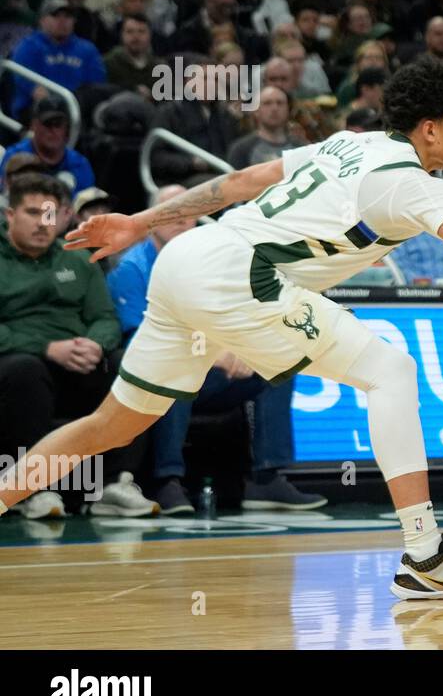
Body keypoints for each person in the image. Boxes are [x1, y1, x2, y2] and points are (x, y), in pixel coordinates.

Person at [0, 58, 443, 601]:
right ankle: (424, 556)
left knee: (111, 425)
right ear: (429, 129)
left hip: (185, 260)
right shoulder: (417, 185)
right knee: (390, 370)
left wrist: (141, 224)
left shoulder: (349, 143)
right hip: (243, 277)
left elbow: (240, 181)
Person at [107, 185, 327, 513]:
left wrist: (241, 350)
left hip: (211, 370)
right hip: (161, 367)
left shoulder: (210, 261)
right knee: (176, 374)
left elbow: (237, 314)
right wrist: (210, 352)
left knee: (279, 365)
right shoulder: (132, 268)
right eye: (172, 210)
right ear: (152, 219)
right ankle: (167, 481)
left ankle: (265, 479)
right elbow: (143, 335)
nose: (182, 218)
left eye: (189, 211)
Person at [0, 174, 155, 519]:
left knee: (129, 363)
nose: (43, 223)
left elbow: (104, 317)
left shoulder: (77, 258)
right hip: (16, 365)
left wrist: (96, 345)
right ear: (9, 215)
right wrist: (46, 347)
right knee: (24, 369)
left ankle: (115, 485)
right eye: (32, 213)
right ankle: (32, 489)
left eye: (51, 214)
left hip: (77, 362)